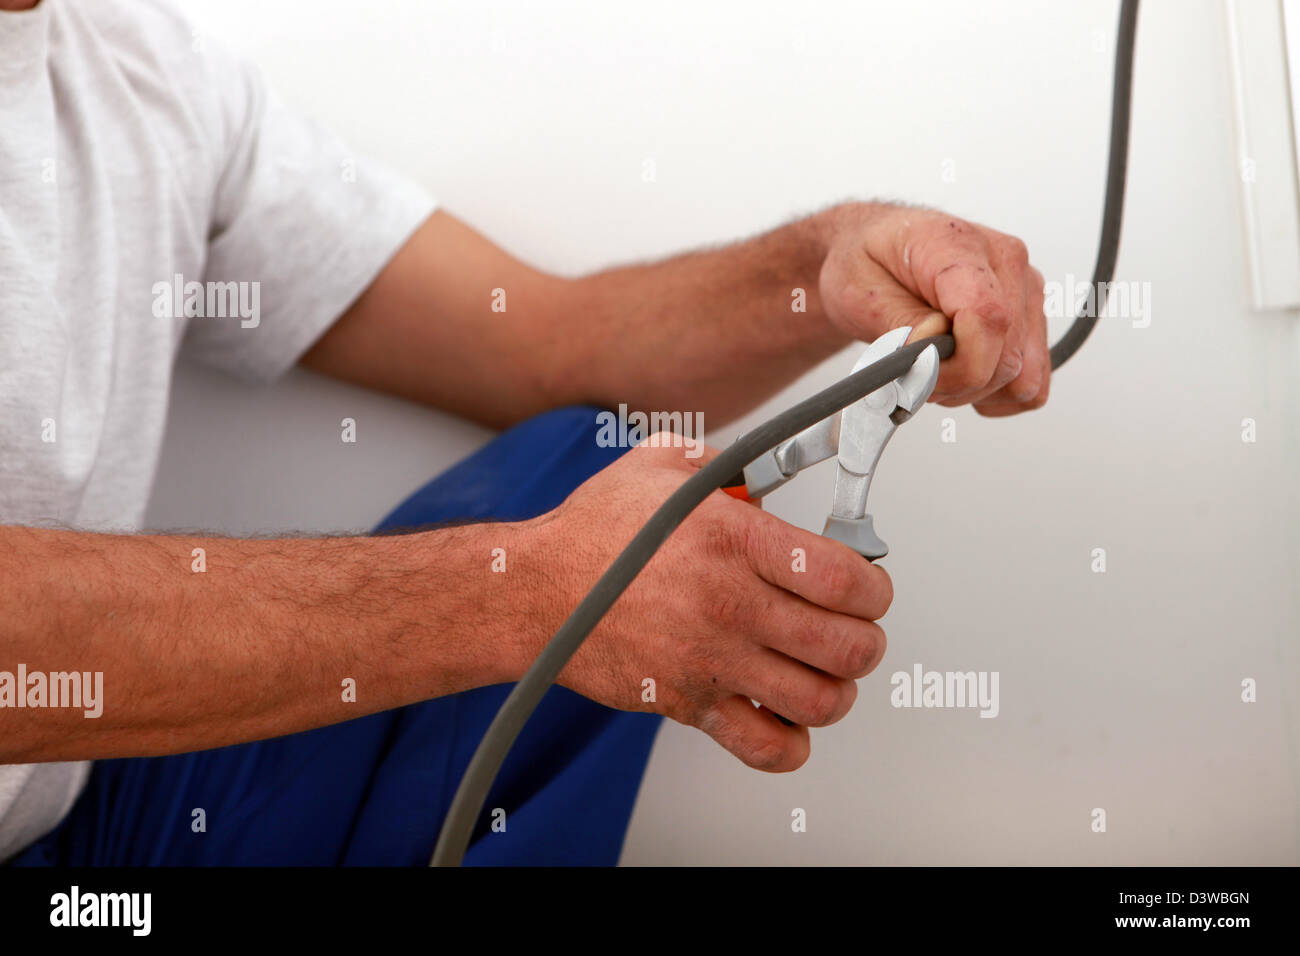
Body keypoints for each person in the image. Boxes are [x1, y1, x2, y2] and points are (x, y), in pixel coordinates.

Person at [0, 0, 1049, 865]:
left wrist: (818, 272)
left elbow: (546, 343)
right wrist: (525, 593)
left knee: (601, 481)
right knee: (583, 571)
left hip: (76, 819)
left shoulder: (141, 73)